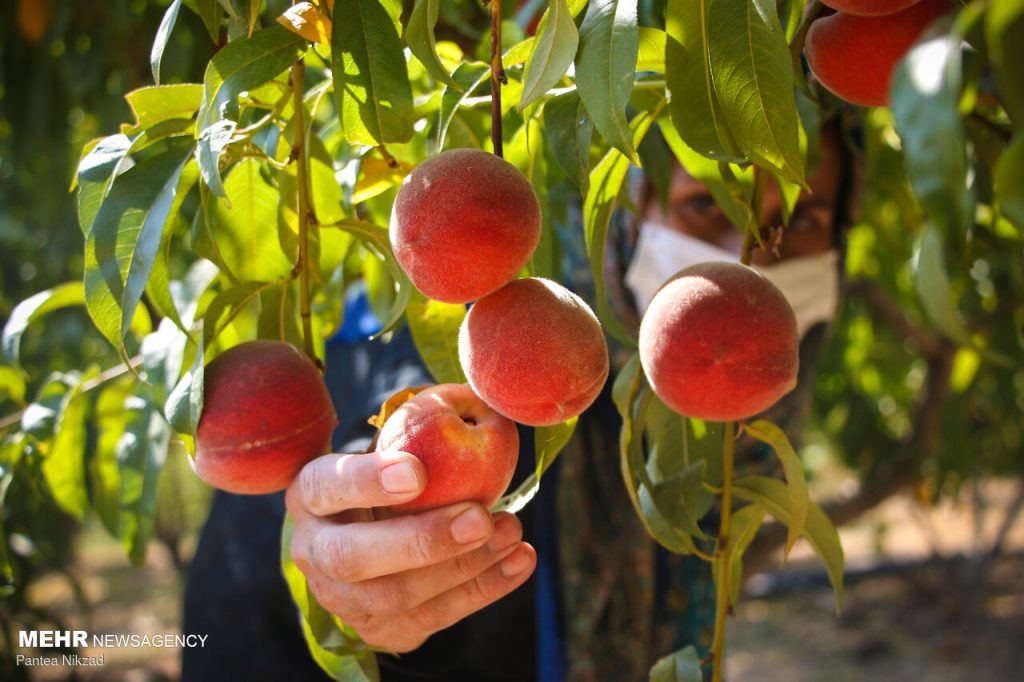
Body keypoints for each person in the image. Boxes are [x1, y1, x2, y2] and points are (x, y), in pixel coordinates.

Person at [181, 120, 854, 681]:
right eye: (706, 205)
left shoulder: (733, 435)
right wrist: (379, 573)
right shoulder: (514, 374)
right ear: (625, 212)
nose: (754, 252)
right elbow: (402, 472)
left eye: (804, 220)